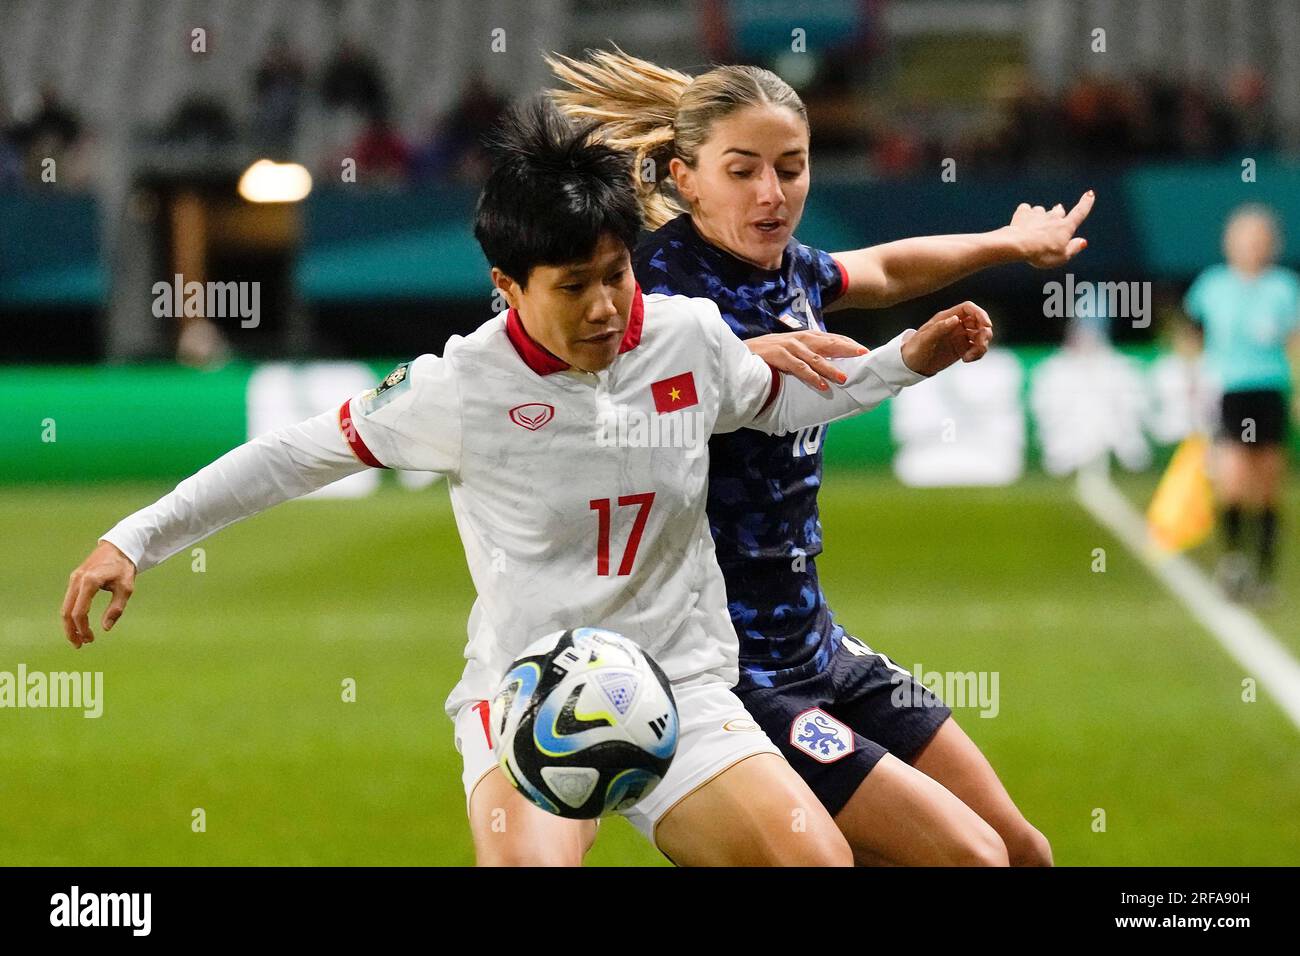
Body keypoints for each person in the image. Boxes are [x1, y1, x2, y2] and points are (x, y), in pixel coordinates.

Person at [60, 99, 990, 866]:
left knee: (815, 863)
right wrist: (134, 538)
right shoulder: (461, 387)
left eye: (618, 274)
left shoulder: (688, 334)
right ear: (508, 286)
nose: (604, 305)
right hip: (532, 696)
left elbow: (772, 403)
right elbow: (293, 455)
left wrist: (903, 360)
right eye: (572, 284)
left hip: (689, 687)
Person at [546, 47, 1093, 866]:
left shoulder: (787, 270)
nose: (772, 193)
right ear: (684, 178)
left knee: (1022, 850)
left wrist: (1008, 242)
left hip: (820, 643)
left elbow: (882, 268)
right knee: (968, 860)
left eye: (791, 168)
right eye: (743, 171)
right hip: (732, 670)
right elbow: (603, 404)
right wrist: (745, 362)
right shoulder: (654, 293)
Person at [1184, 204, 1300, 603]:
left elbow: (1295, 341)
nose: (1251, 248)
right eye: (1244, 240)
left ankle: (1264, 571)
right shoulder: (1213, 285)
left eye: (1259, 241)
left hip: (1270, 389)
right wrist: (1192, 376)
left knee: (1267, 485)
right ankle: (1234, 561)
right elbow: (1191, 332)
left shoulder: (1283, 288)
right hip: (1229, 391)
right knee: (1232, 479)